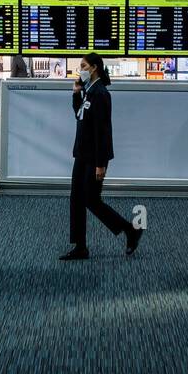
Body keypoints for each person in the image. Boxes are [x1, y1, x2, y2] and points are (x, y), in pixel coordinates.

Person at [60, 52, 143, 261]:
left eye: (83, 65)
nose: (81, 70)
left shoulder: (101, 94)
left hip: (94, 158)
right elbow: (79, 115)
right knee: (77, 200)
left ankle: (130, 229)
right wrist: (75, 94)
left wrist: (101, 164)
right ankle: (80, 247)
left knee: (91, 200)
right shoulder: (88, 91)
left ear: (94, 67)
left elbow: (103, 131)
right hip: (81, 155)